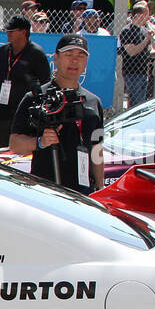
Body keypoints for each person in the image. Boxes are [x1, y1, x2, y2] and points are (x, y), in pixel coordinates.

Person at [10, 33, 105, 196]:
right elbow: (15, 144)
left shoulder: (94, 102)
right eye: (68, 55)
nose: (74, 61)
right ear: (56, 58)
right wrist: (40, 142)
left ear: (86, 62)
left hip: (83, 193)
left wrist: (100, 188)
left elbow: (97, 149)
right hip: (46, 190)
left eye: (80, 55)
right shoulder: (35, 98)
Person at [0, 15, 51, 151]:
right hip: (1, 112)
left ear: (23, 32)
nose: (8, 33)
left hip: (24, 114)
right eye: (7, 30)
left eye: (12, 31)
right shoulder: (3, 51)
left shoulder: (37, 54)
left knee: (20, 153)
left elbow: (45, 85)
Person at [119, 2, 155, 108]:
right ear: (139, 15)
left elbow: (148, 50)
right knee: (136, 102)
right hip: (132, 72)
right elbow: (131, 51)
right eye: (146, 14)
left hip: (144, 71)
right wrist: (146, 40)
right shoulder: (127, 31)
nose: (148, 17)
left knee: (141, 101)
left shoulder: (144, 30)